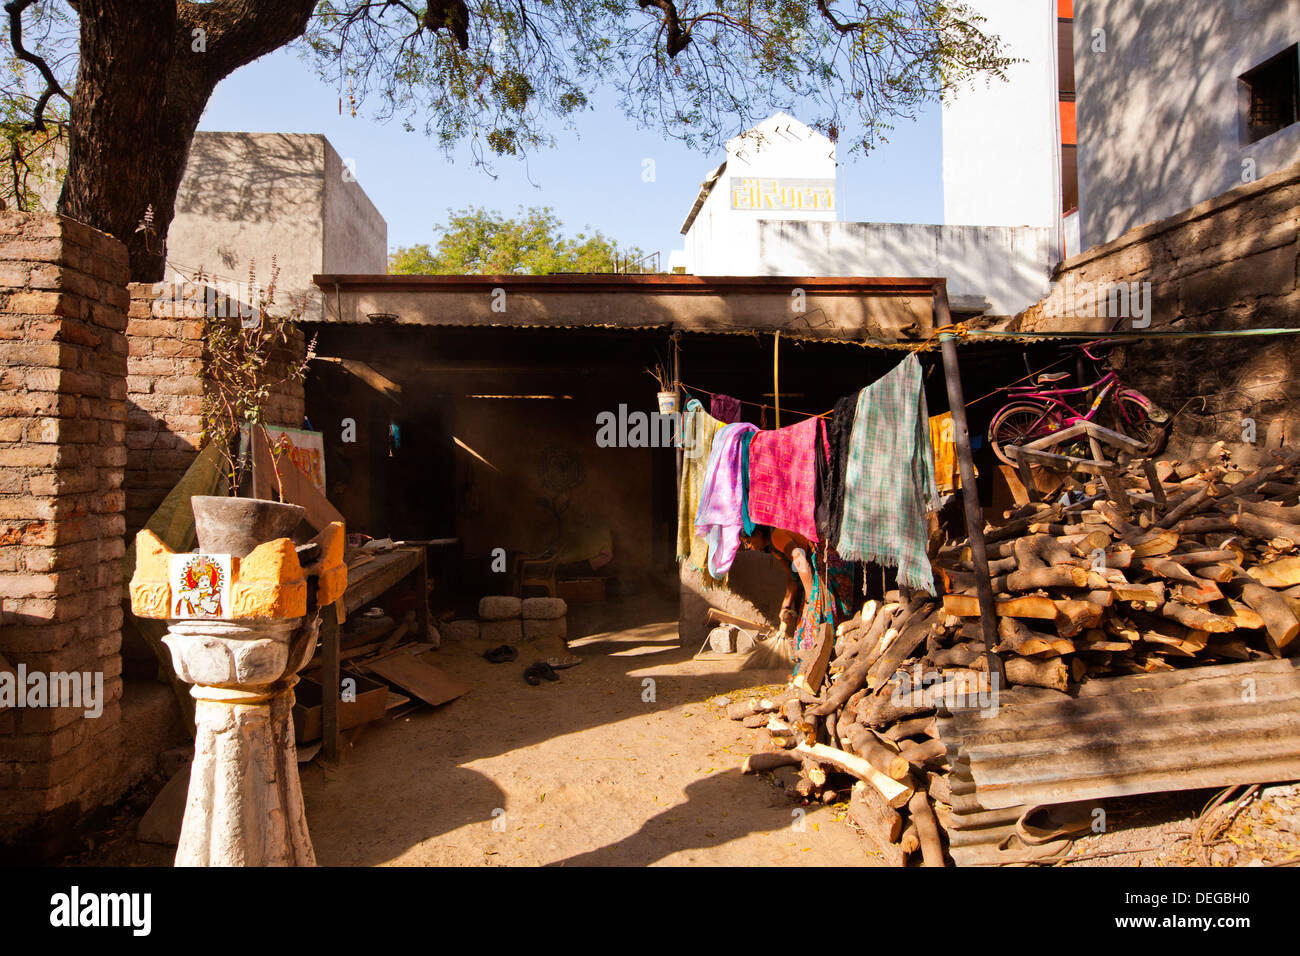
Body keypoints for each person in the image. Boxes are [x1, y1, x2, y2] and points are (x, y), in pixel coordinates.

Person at [740, 525, 813, 644]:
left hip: (825, 564)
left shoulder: (777, 536)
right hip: (811, 575)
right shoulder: (774, 550)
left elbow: (801, 563)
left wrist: (810, 601)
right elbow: (792, 579)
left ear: (758, 534)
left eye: (748, 542)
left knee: (814, 620)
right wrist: (785, 607)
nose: (748, 547)